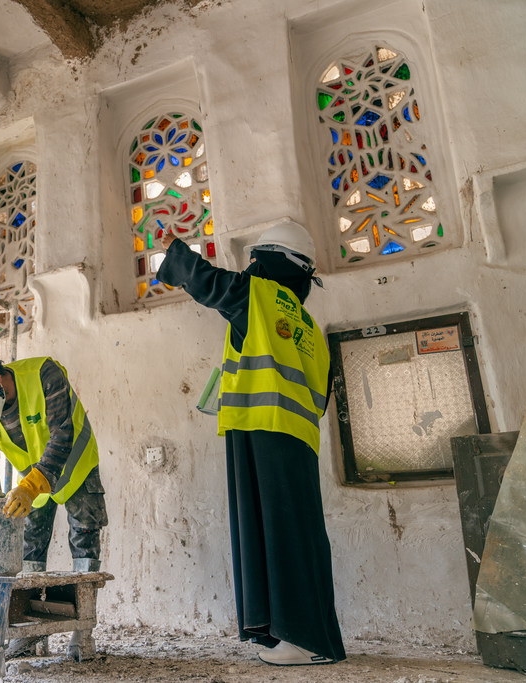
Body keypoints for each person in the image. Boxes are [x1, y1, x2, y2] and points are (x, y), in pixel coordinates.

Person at [156, 220, 346, 666]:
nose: (252, 269)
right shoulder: (310, 328)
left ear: (271, 263)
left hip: (261, 429)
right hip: (297, 438)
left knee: (273, 534)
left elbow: (207, 283)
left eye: (258, 261)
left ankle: (304, 640)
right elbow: (320, 397)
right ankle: (302, 634)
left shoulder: (259, 297)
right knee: (296, 534)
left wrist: (170, 249)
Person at [0, 343, 108, 659]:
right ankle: (31, 636)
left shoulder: (45, 374)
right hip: (33, 484)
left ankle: (82, 636)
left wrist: (29, 488)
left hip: (76, 466)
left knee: (85, 542)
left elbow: (62, 435)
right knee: (28, 549)